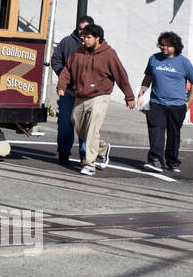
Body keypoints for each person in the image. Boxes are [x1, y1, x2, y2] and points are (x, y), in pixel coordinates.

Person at [56, 23, 136, 176]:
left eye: (88, 37)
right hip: (81, 96)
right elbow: (67, 70)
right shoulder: (78, 52)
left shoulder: (109, 54)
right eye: (83, 37)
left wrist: (129, 96)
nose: (84, 40)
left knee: (92, 129)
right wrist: (61, 85)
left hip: (100, 96)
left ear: (97, 38)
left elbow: (121, 76)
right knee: (78, 125)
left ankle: (89, 164)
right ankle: (103, 149)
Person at [137, 32, 193, 172]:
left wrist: (189, 103)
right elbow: (148, 78)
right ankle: (155, 160)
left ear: (175, 46)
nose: (164, 48)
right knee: (156, 130)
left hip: (177, 105)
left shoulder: (184, 62)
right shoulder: (154, 59)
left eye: (168, 45)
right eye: (162, 45)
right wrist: (141, 94)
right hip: (156, 103)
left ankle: (172, 161)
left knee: (173, 134)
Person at [50, 13, 94, 165]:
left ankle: (84, 154)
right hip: (68, 93)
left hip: (86, 95)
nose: (82, 32)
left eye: (86, 29)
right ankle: (63, 152)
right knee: (64, 124)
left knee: (84, 126)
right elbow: (55, 59)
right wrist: (63, 75)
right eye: (80, 29)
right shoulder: (67, 42)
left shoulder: (97, 46)